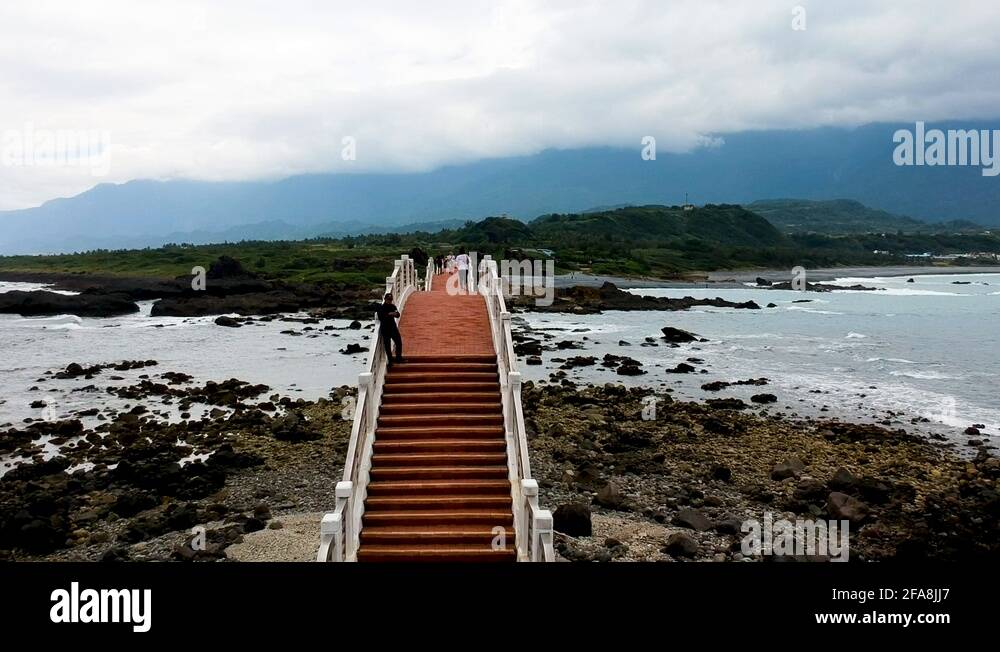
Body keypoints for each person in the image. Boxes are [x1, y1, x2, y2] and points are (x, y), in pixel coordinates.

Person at [375, 292, 403, 367]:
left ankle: (398, 358)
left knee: (399, 342)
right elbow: (381, 317)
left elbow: (397, 314)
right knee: (387, 346)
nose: (389, 301)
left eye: (391, 299)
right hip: (385, 329)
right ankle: (390, 361)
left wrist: (394, 314)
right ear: (385, 299)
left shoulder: (392, 306)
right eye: (388, 299)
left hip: (393, 328)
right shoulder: (381, 307)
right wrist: (389, 314)